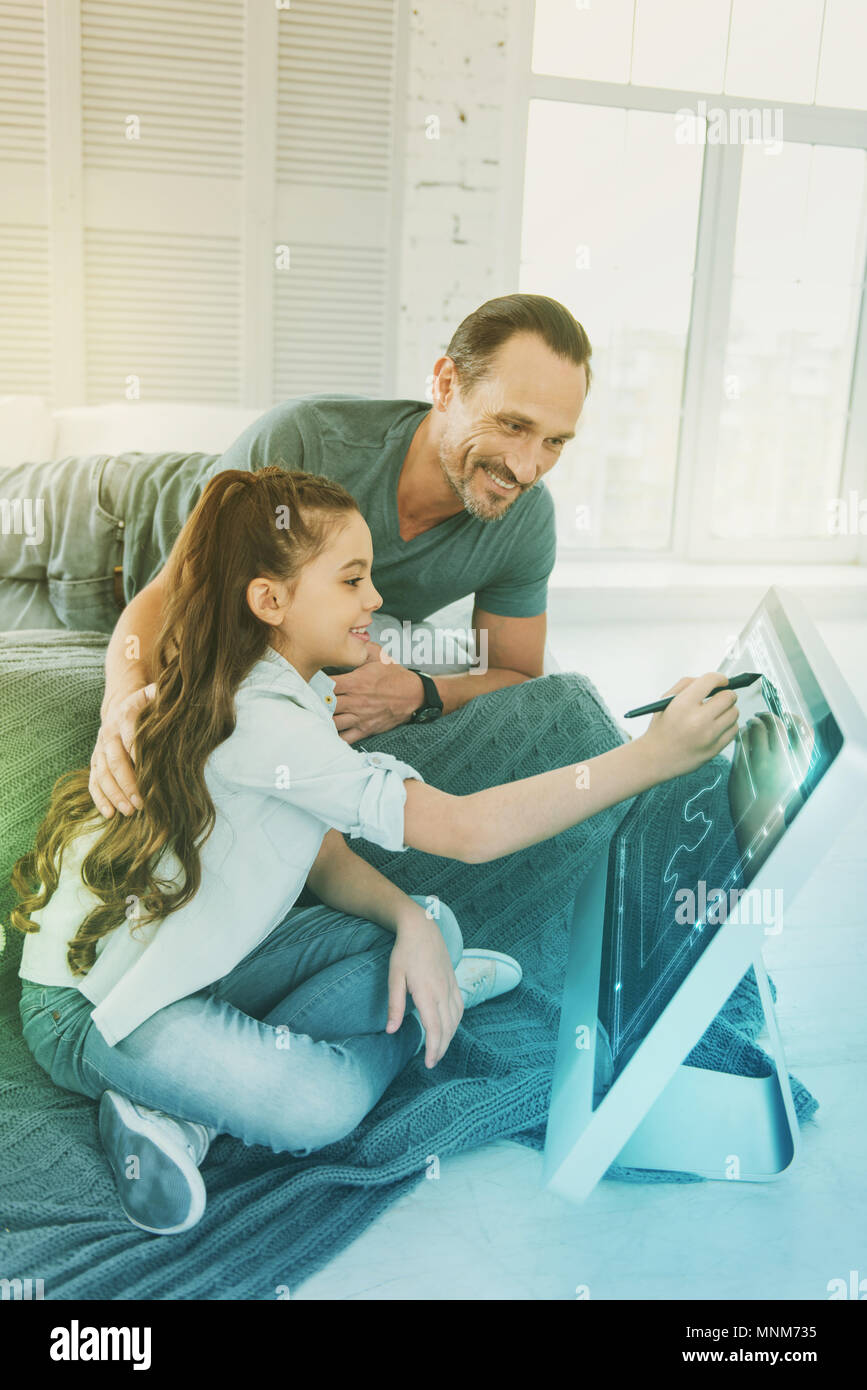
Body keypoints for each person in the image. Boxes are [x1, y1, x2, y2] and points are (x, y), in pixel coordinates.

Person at [11, 467, 740, 1236]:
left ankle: (215, 1094)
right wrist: (650, 758)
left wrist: (411, 923)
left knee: (430, 928)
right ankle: (195, 1110)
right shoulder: (260, 717)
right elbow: (467, 830)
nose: (375, 600)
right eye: (353, 580)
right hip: (98, 1004)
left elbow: (316, 848)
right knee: (316, 1108)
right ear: (270, 600)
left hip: (199, 956)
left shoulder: (294, 684)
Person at [0, 292, 593, 817]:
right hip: (101, 521)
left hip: (94, 615)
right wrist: (120, 708)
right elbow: (168, 593)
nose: (526, 466)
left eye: (554, 441)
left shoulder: (525, 522)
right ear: (445, 385)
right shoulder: (310, 437)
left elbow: (516, 673)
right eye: (512, 425)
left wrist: (423, 691)